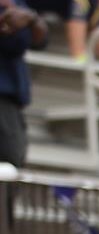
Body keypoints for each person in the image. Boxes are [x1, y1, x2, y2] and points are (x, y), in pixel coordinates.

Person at [0, 0, 46, 169]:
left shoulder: (16, 4)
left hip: (9, 107)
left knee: (9, 170)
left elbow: (39, 41)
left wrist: (31, 19)